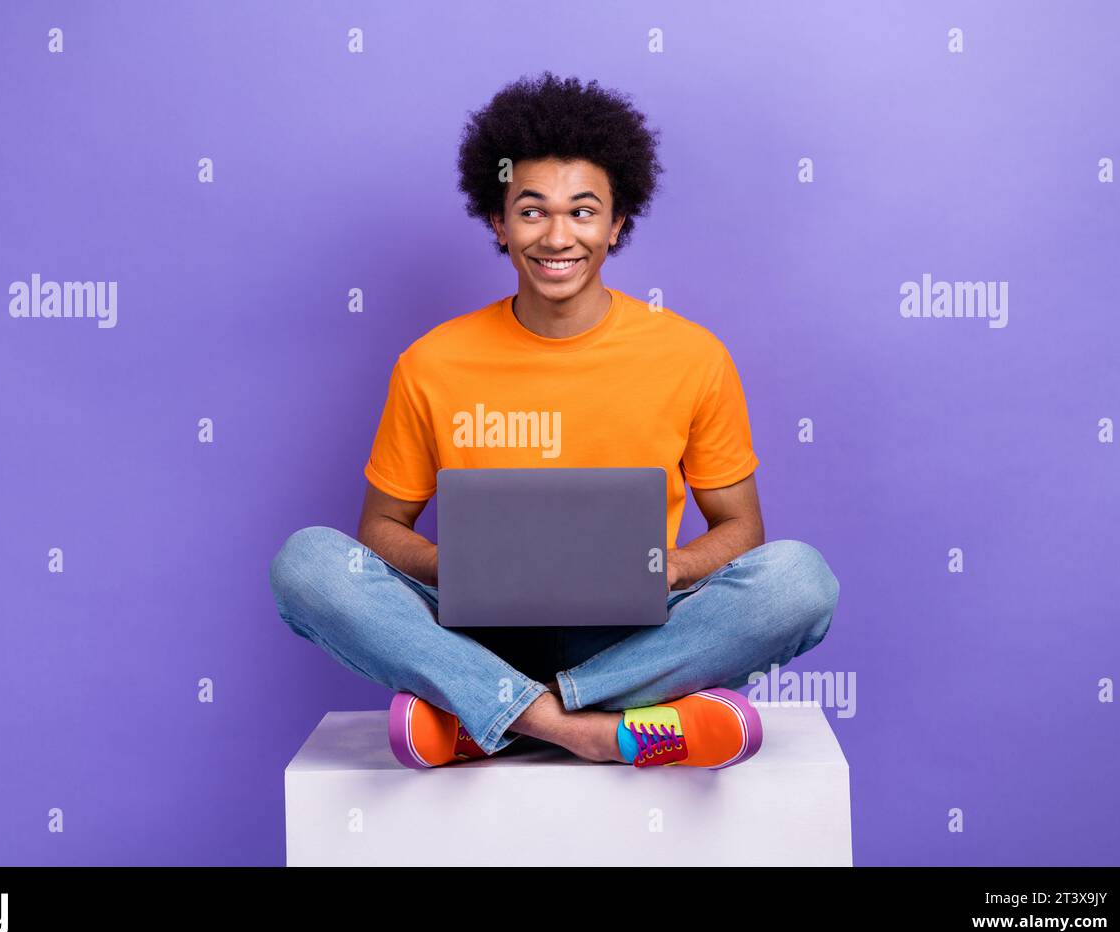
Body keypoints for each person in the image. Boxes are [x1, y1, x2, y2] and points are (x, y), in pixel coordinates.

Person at [269, 72, 840, 770]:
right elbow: (379, 531)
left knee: (799, 581)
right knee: (309, 565)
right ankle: (592, 729)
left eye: (583, 211)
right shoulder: (431, 362)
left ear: (617, 223)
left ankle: (491, 719)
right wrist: (460, 568)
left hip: (635, 637)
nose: (557, 236)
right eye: (532, 211)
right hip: (474, 633)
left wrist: (670, 570)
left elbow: (744, 532)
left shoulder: (693, 355)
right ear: (498, 223)